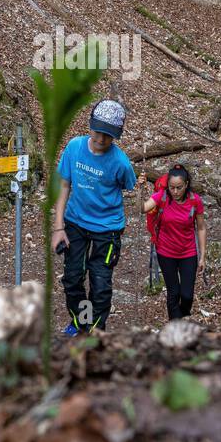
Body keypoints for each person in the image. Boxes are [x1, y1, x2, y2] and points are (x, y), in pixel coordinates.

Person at [53, 99, 136, 337]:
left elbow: (129, 187)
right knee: (72, 278)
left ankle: (97, 330)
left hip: (107, 229)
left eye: (108, 136)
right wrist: (58, 227)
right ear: (90, 125)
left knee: (100, 283)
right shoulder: (74, 147)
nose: (101, 140)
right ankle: (81, 323)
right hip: (75, 223)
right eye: (98, 132)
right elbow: (65, 185)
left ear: (116, 136)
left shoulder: (120, 162)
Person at [138, 164, 206, 322]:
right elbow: (142, 208)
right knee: (173, 293)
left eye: (179, 187)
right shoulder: (162, 197)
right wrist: (140, 190)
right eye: (172, 187)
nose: (175, 191)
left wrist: (203, 255)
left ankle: (183, 318)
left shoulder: (195, 201)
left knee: (187, 295)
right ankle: (176, 327)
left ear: (186, 185)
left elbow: (201, 228)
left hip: (188, 252)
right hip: (165, 252)